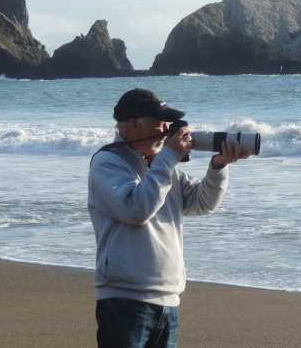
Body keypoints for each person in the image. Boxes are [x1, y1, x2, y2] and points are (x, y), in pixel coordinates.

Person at [88, 88, 250, 348]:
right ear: (134, 124)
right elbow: (136, 209)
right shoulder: (108, 162)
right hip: (125, 299)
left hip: (168, 300)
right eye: (160, 122)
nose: (166, 129)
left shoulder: (161, 167)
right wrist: (168, 156)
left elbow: (202, 203)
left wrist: (218, 166)